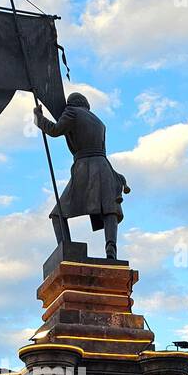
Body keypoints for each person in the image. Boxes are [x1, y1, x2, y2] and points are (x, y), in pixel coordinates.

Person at [33, 93, 130, 259]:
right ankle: (111, 250)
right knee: (109, 210)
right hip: (104, 166)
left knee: (58, 214)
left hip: (85, 167)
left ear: (71, 103)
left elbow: (55, 130)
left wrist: (38, 118)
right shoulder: (100, 122)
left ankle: (68, 252)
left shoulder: (71, 112)